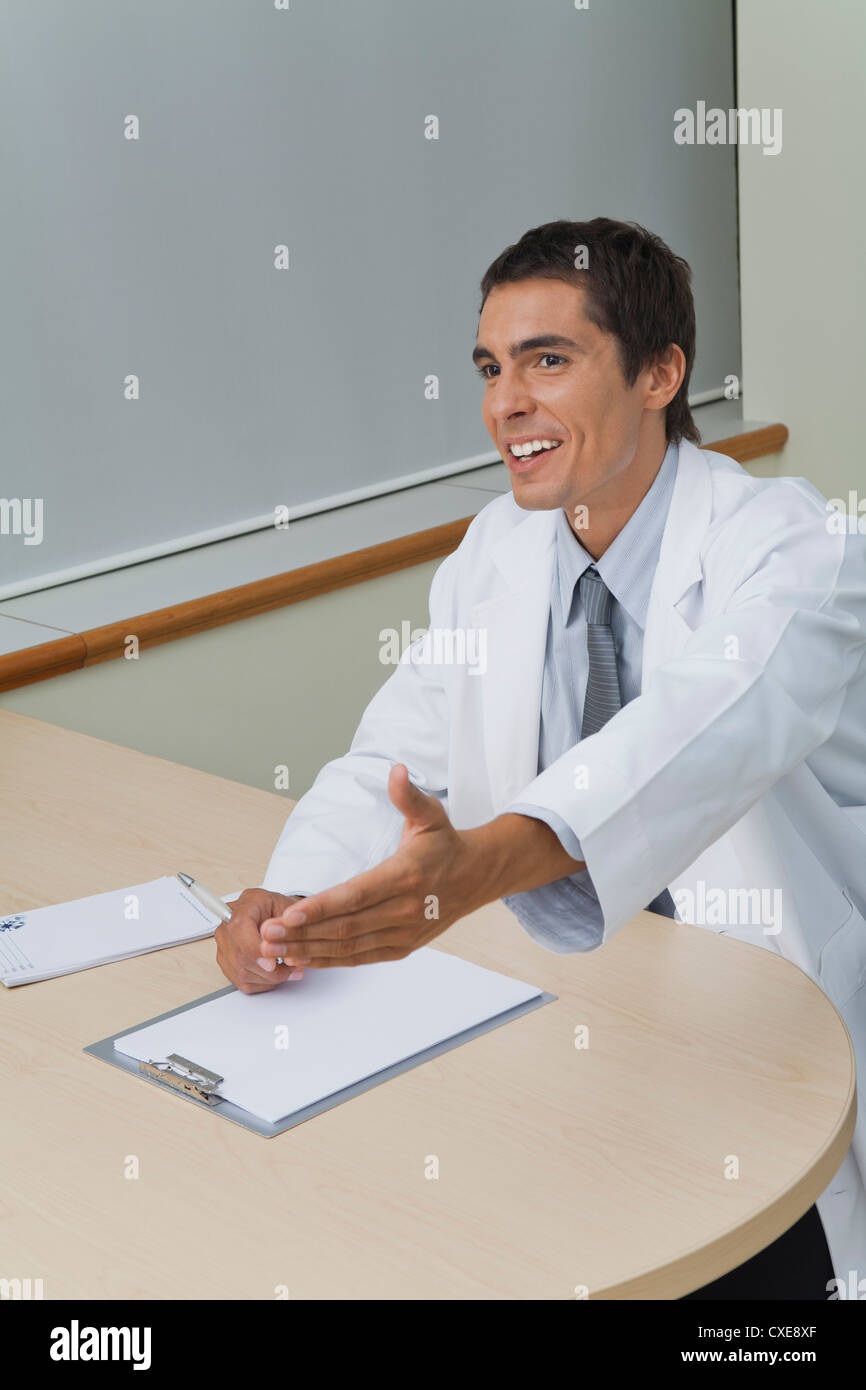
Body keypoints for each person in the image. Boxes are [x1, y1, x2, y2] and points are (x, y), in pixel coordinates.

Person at [216, 218, 866, 1297]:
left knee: (748, 1293)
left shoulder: (792, 545)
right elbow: (394, 757)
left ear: (659, 374)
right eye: (490, 368)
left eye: (547, 360)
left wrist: (491, 863)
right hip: (585, 1014)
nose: (503, 404)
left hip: (764, 1013)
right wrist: (290, 904)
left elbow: (701, 730)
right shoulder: (498, 549)